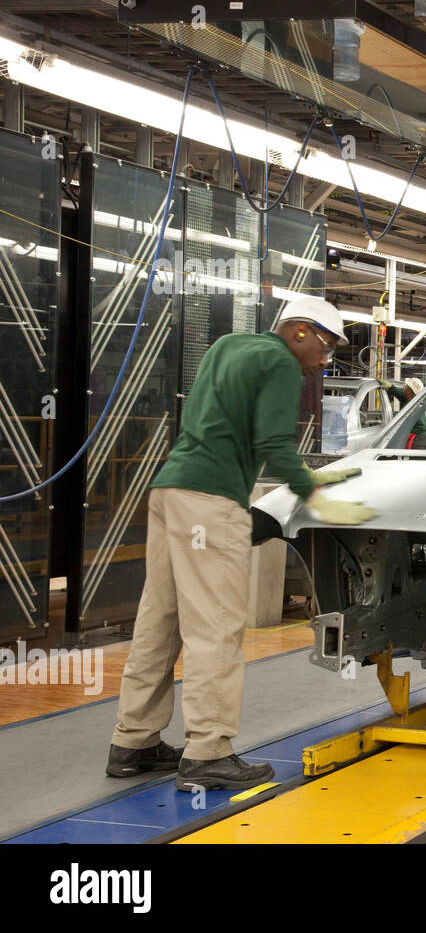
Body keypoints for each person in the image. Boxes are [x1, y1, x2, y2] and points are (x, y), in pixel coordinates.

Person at [106, 298, 378, 791]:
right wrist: (312, 493)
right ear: (299, 331)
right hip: (211, 502)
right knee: (215, 626)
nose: (325, 359)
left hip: (171, 490)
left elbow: (227, 425)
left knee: (159, 620)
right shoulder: (280, 363)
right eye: (326, 344)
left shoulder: (228, 345)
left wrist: (307, 474)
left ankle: (134, 741)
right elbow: (274, 443)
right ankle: (208, 751)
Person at [379, 375, 426, 449]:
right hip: (416, 437)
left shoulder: (413, 406)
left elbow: (404, 422)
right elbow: (399, 393)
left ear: (409, 390)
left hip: (418, 441)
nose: (404, 386)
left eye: (406, 386)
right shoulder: (410, 399)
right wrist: (390, 387)